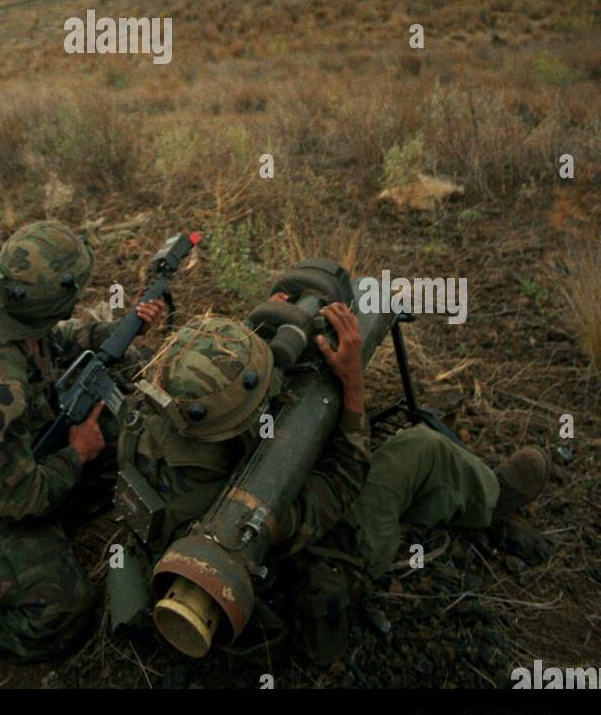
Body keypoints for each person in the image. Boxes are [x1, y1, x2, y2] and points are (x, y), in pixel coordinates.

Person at [111, 269, 549, 663]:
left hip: (172, 540)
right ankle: (491, 502)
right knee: (418, 450)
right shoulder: (250, 511)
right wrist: (353, 386)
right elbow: (343, 478)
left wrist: (259, 330)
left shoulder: (152, 409)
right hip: (288, 563)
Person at [0, 219, 164, 686]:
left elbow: (63, 338)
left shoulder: (15, 319)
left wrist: (126, 327)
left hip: (21, 452)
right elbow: (16, 499)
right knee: (65, 610)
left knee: (125, 422)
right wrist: (76, 454)